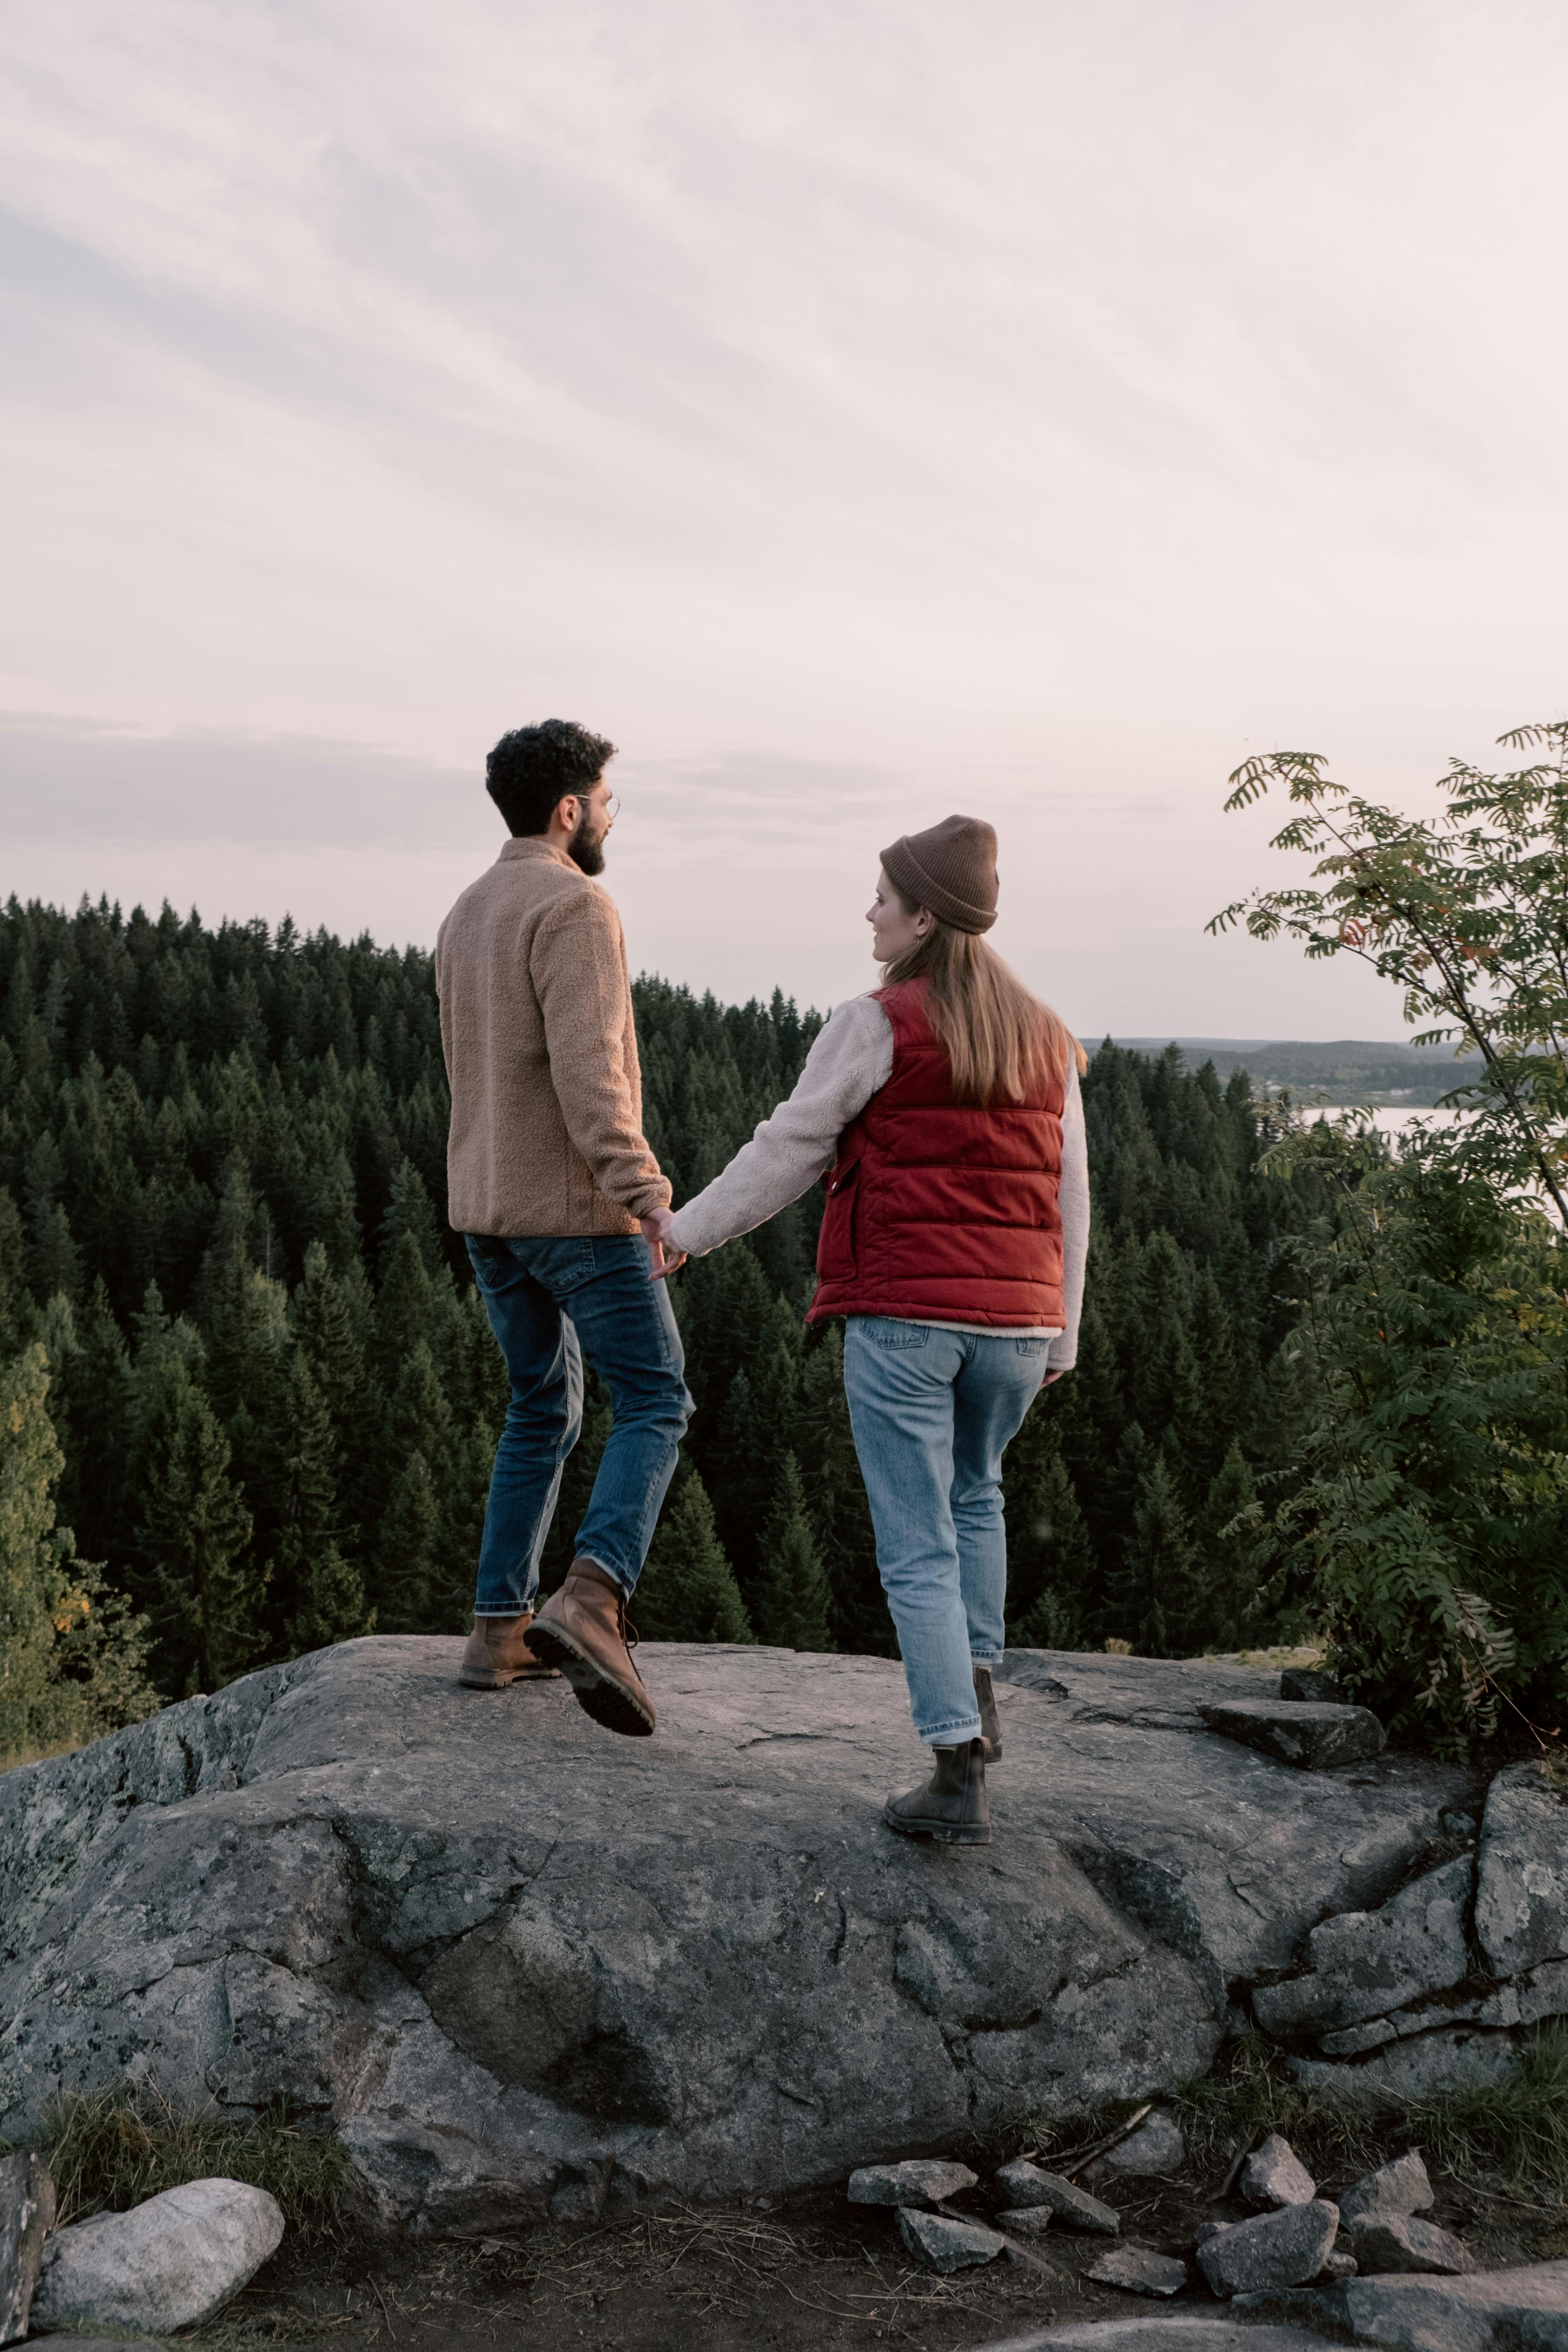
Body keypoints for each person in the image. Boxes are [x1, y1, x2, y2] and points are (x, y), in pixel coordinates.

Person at [647, 815, 1088, 1844]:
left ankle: (955, 1767)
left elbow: (790, 1148)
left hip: (905, 1317)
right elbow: (1072, 1192)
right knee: (977, 1500)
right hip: (1018, 1323)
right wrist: (1061, 1330)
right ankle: (973, 1713)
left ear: (925, 915)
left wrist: (687, 1235)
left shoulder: (877, 1021)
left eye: (882, 898)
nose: (869, 913)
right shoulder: (1049, 1035)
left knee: (917, 1539)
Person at [436, 718, 690, 1736]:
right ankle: (591, 1598)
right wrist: (647, 1195)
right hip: (575, 1216)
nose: (612, 820)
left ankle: (499, 1630)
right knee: (658, 1398)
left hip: (487, 1213)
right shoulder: (578, 905)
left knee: (541, 1409)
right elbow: (593, 1080)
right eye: (606, 802)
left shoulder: (465, 911)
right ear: (570, 809)